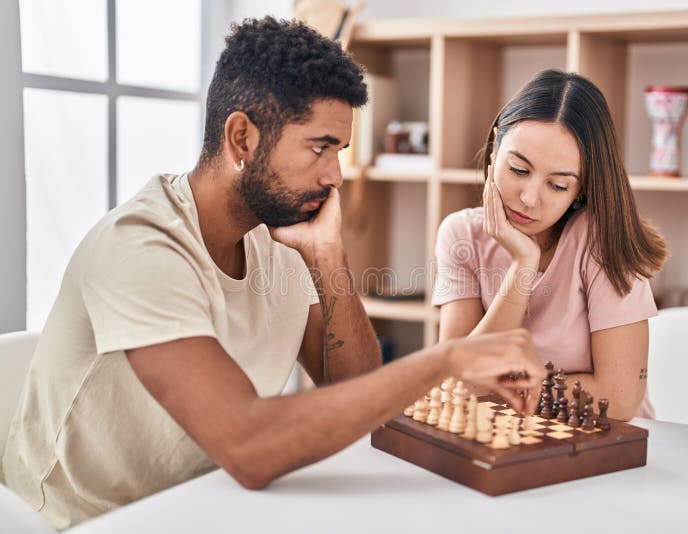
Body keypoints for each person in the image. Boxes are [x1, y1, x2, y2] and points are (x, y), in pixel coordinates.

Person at [1, 17, 543, 529]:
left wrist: (329, 256)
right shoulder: (140, 249)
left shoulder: (281, 231)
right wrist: (447, 359)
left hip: (206, 503)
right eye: (319, 148)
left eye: (341, 151)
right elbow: (249, 446)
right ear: (242, 138)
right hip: (85, 521)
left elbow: (357, 394)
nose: (335, 175)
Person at [433, 69, 668, 420]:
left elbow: (619, 399)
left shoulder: (601, 240)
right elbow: (457, 384)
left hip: (606, 444)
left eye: (557, 186)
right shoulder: (461, 234)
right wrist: (523, 265)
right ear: (495, 149)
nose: (529, 198)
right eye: (518, 169)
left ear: (582, 188)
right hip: (506, 442)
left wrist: (495, 384)